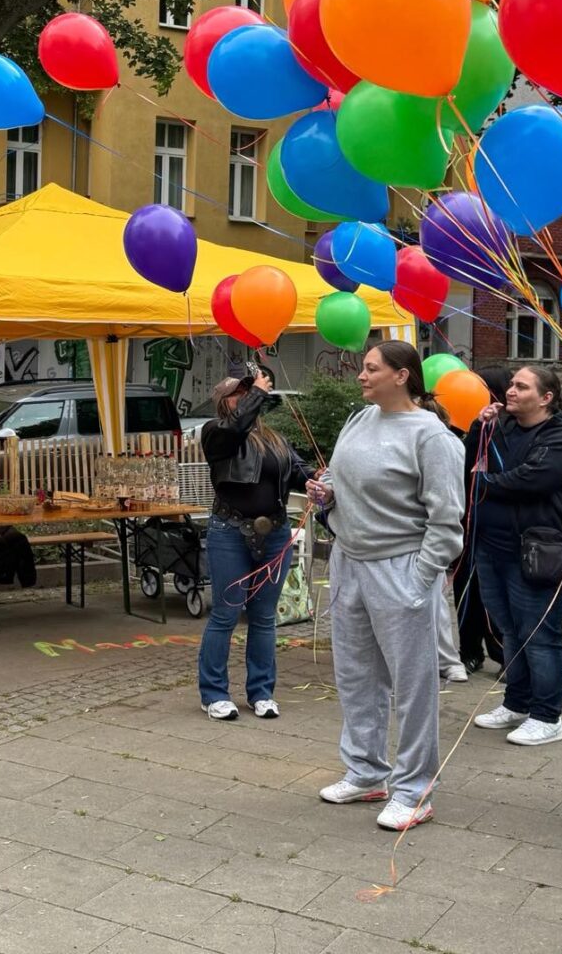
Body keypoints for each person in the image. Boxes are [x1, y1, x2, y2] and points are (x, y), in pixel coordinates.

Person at [306, 341, 466, 831]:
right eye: (363, 367)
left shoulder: (432, 436)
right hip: (349, 562)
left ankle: (414, 791)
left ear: (402, 375)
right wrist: (327, 493)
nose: (361, 375)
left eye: (372, 368)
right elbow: (341, 477)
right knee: (356, 674)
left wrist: (420, 578)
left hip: (401, 568)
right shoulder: (359, 420)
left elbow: (446, 519)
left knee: (413, 685)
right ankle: (365, 772)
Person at [465, 366, 562, 746]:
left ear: (546, 397)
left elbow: (528, 480)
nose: (511, 391)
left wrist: (483, 483)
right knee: (510, 629)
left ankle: (548, 716)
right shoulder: (501, 427)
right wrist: (478, 429)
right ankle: (517, 702)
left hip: (539, 551)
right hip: (493, 546)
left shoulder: (561, 438)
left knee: (539, 632)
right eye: (512, 385)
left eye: (521, 386)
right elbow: (470, 466)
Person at [196, 364, 313, 721]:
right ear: (223, 401)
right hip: (230, 532)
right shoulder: (215, 432)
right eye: (239, 392)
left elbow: (297, 469)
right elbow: (234, 431)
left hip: (275, 533)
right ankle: (214, 694)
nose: (247, 396)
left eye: (250, 391)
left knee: (263, 618)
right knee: (226, 614)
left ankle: (261, 692)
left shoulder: (274, 438)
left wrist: (314, 479)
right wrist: (259, 392)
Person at [451, 366, 510, 675]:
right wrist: (476, 429)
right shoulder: (471, 426)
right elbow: (463, 464)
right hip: (468, 522)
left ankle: (503, 652)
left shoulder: (514, 427)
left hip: (499, 523)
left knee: (496, 592)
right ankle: (469, 650)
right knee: (466, 587)